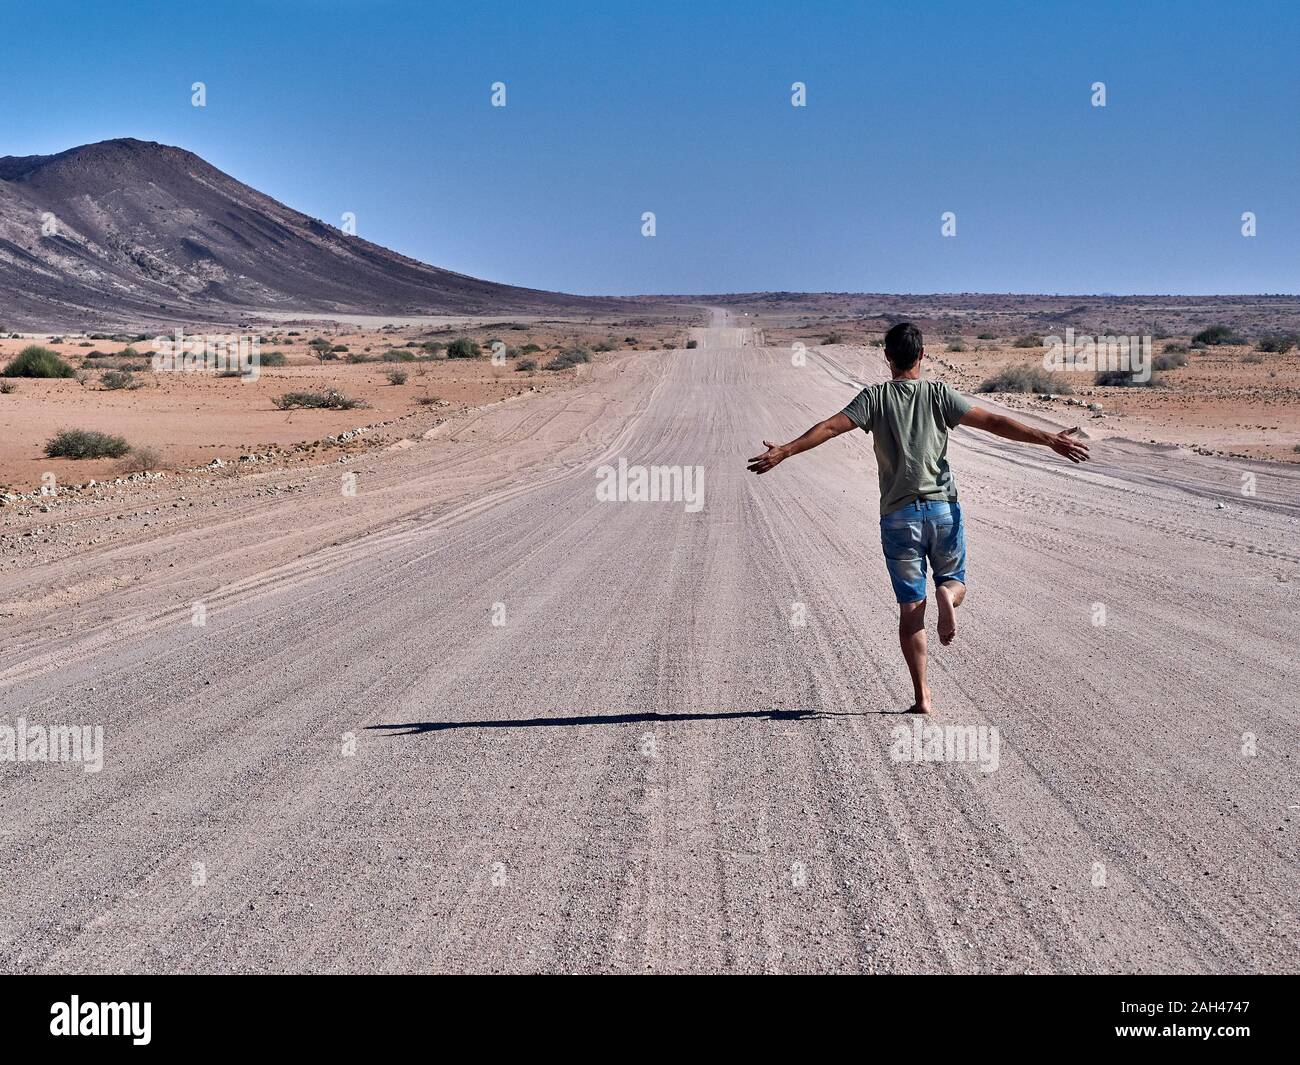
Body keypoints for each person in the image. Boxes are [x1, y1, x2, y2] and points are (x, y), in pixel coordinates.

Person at [746, 322, 1090, 714]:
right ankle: (948, 594)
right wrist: (1049, 439)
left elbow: (828, 428)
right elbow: (995, 423)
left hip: (898, 516)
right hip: (943, 510)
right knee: (955, 581)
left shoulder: (873, 398)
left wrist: (784, 451)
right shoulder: (940, 395)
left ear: (887, 357)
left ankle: (923, 697)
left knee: (911, 609)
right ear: (923, 355)